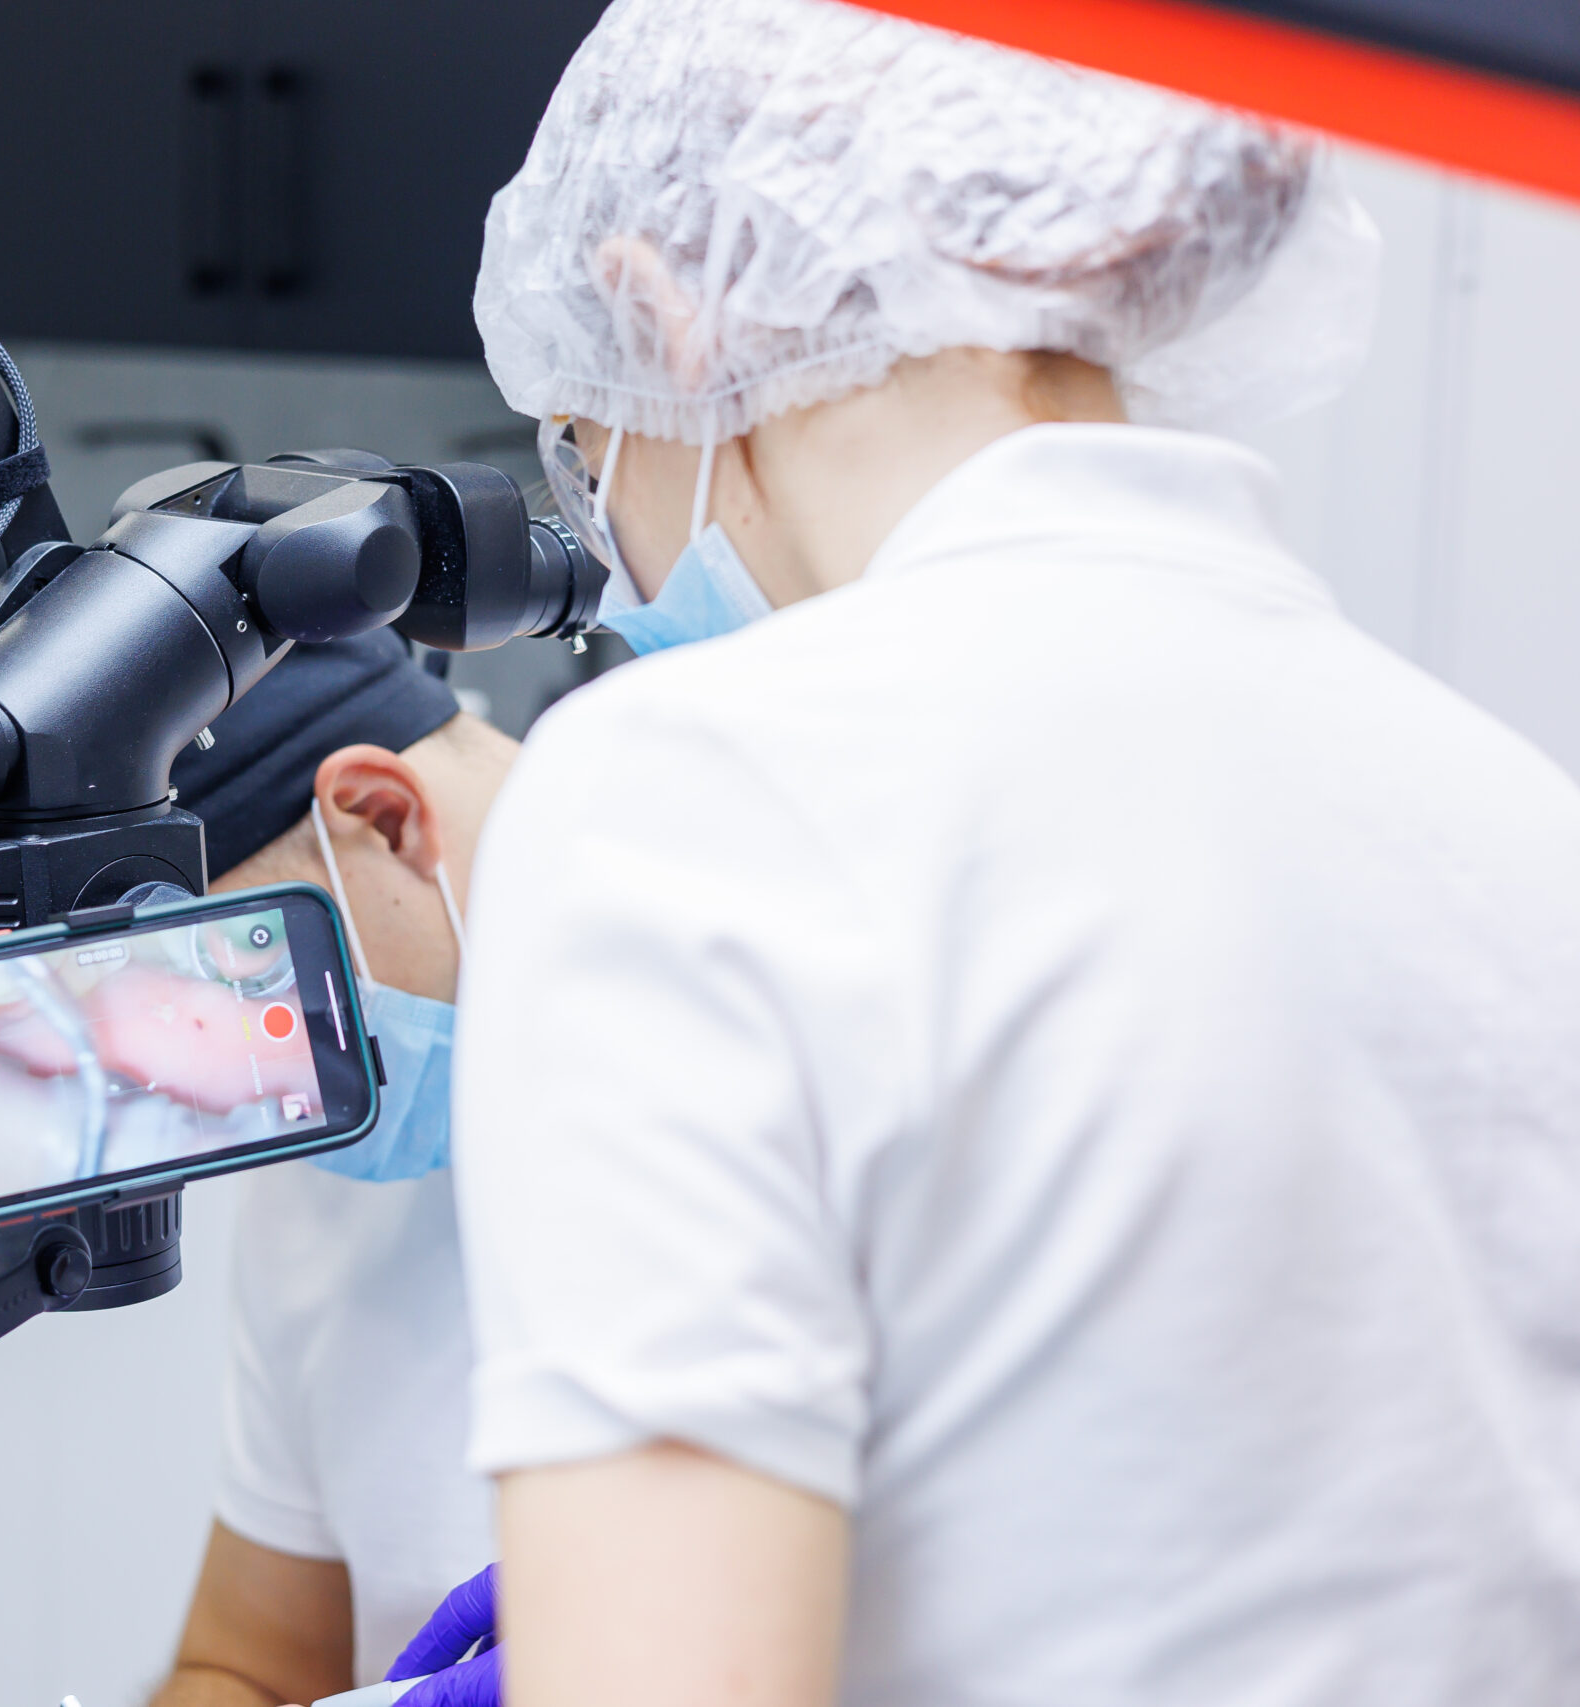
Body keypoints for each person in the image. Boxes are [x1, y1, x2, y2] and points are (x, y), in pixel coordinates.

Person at [436, 2, 1580, 1705]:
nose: (611, 542)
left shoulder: (689, 792)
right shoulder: (1517, 820)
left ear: (677, 323)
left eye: (584, 458)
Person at [143, 633, 522, 1707]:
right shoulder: (326, 1161)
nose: (251, 1094)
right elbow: (245, 1667)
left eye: (247, 1019)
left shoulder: (801, 1048)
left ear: (380, 815)